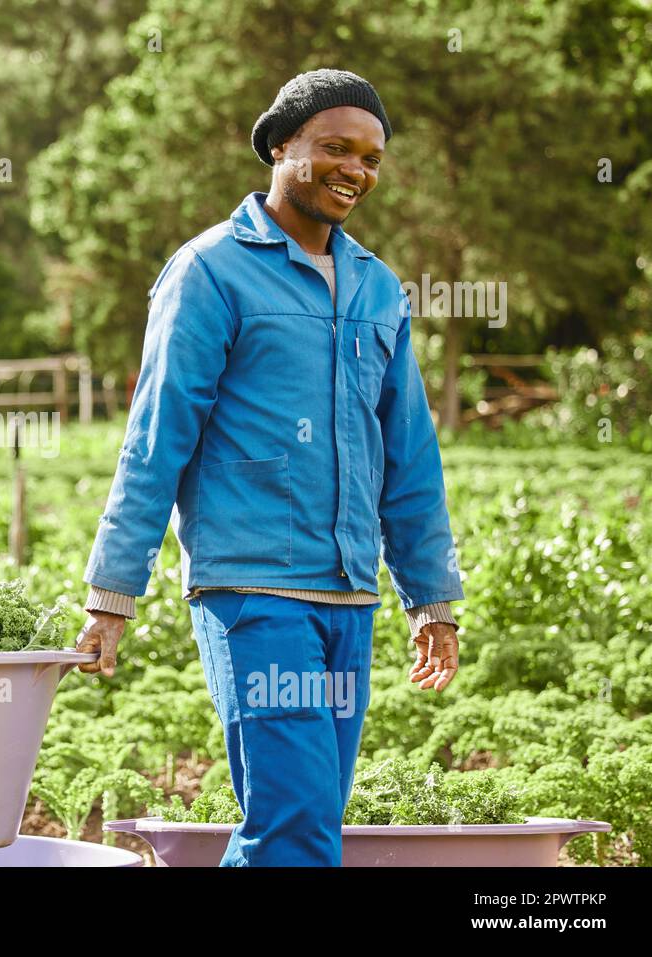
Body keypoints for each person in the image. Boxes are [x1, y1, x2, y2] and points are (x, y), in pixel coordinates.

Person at [74, 69, 464, 866]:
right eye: (335, 148)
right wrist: (113, 591)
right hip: (253, 593)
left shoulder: (378, 287)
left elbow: (411, 456)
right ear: (281, 145)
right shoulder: (211, 272)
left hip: (349, 601)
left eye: (372, 157)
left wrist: (431, 597)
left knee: (303, 820)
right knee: (295, 824)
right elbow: (158, 436)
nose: (355, 169)